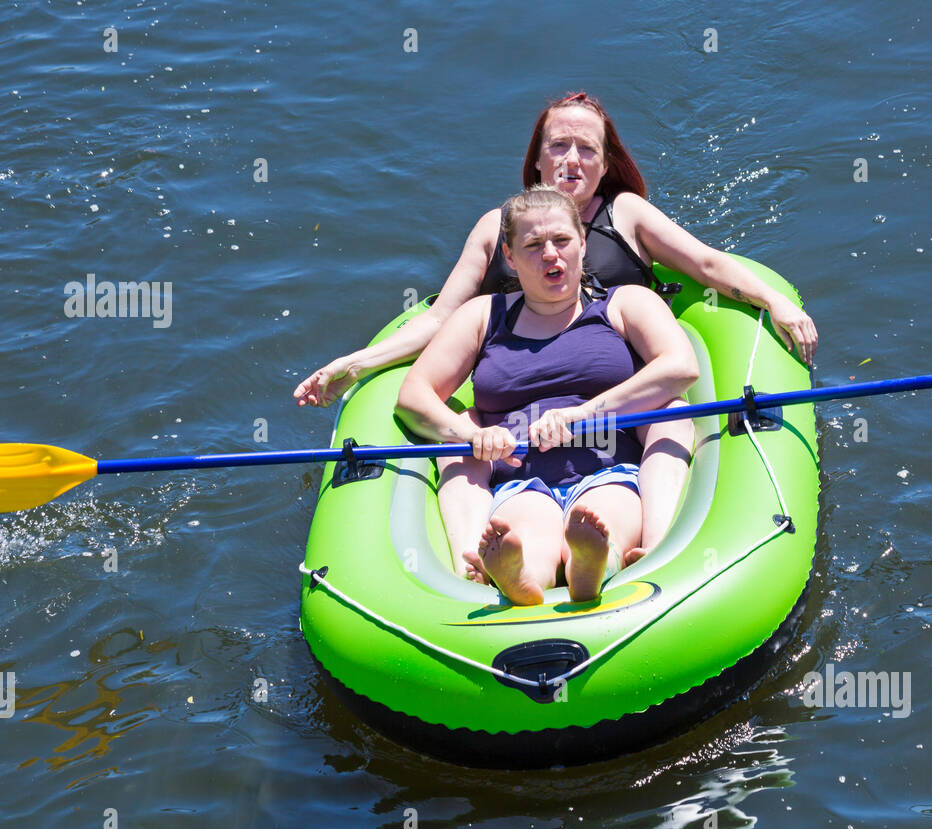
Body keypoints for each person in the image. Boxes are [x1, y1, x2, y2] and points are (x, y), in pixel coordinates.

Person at [295, 91, 817, 578]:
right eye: (558, 146)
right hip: (518, 392)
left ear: (606, 163)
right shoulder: (499, 229)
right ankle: (485, 560)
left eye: (587, 149)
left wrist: (771, 299)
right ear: (537, 161)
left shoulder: (625, 215)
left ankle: (657, 544)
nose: (572, 159)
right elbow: (439, 319)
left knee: (674, 409)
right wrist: (359, 364)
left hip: (617, 384)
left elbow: (703, 263)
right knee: (467, 430)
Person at [394, 186, 698, 606]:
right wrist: (469, 432)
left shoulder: (624, 303)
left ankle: (599, 564)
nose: (550, 254)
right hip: (520, 477)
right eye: (533, 245)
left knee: (603, 513)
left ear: (582, 243)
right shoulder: (483, 316)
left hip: (609, 463)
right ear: (511, 256)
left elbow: (680, 366)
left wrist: (584, 416)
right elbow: (414, 395)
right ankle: (517, 578)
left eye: (561, 241)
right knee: (523, 533)